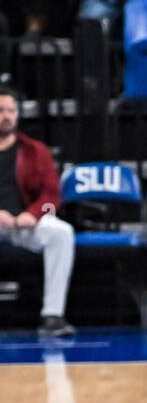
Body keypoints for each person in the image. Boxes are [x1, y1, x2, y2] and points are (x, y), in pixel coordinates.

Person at [0, 85, 74, 337]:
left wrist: (33, 213)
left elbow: (52, 196)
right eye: (1, 110)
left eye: (11, 110)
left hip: (22, 223)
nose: (7, 115)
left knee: (61, 232)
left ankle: (52, 315)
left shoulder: (35, 150)